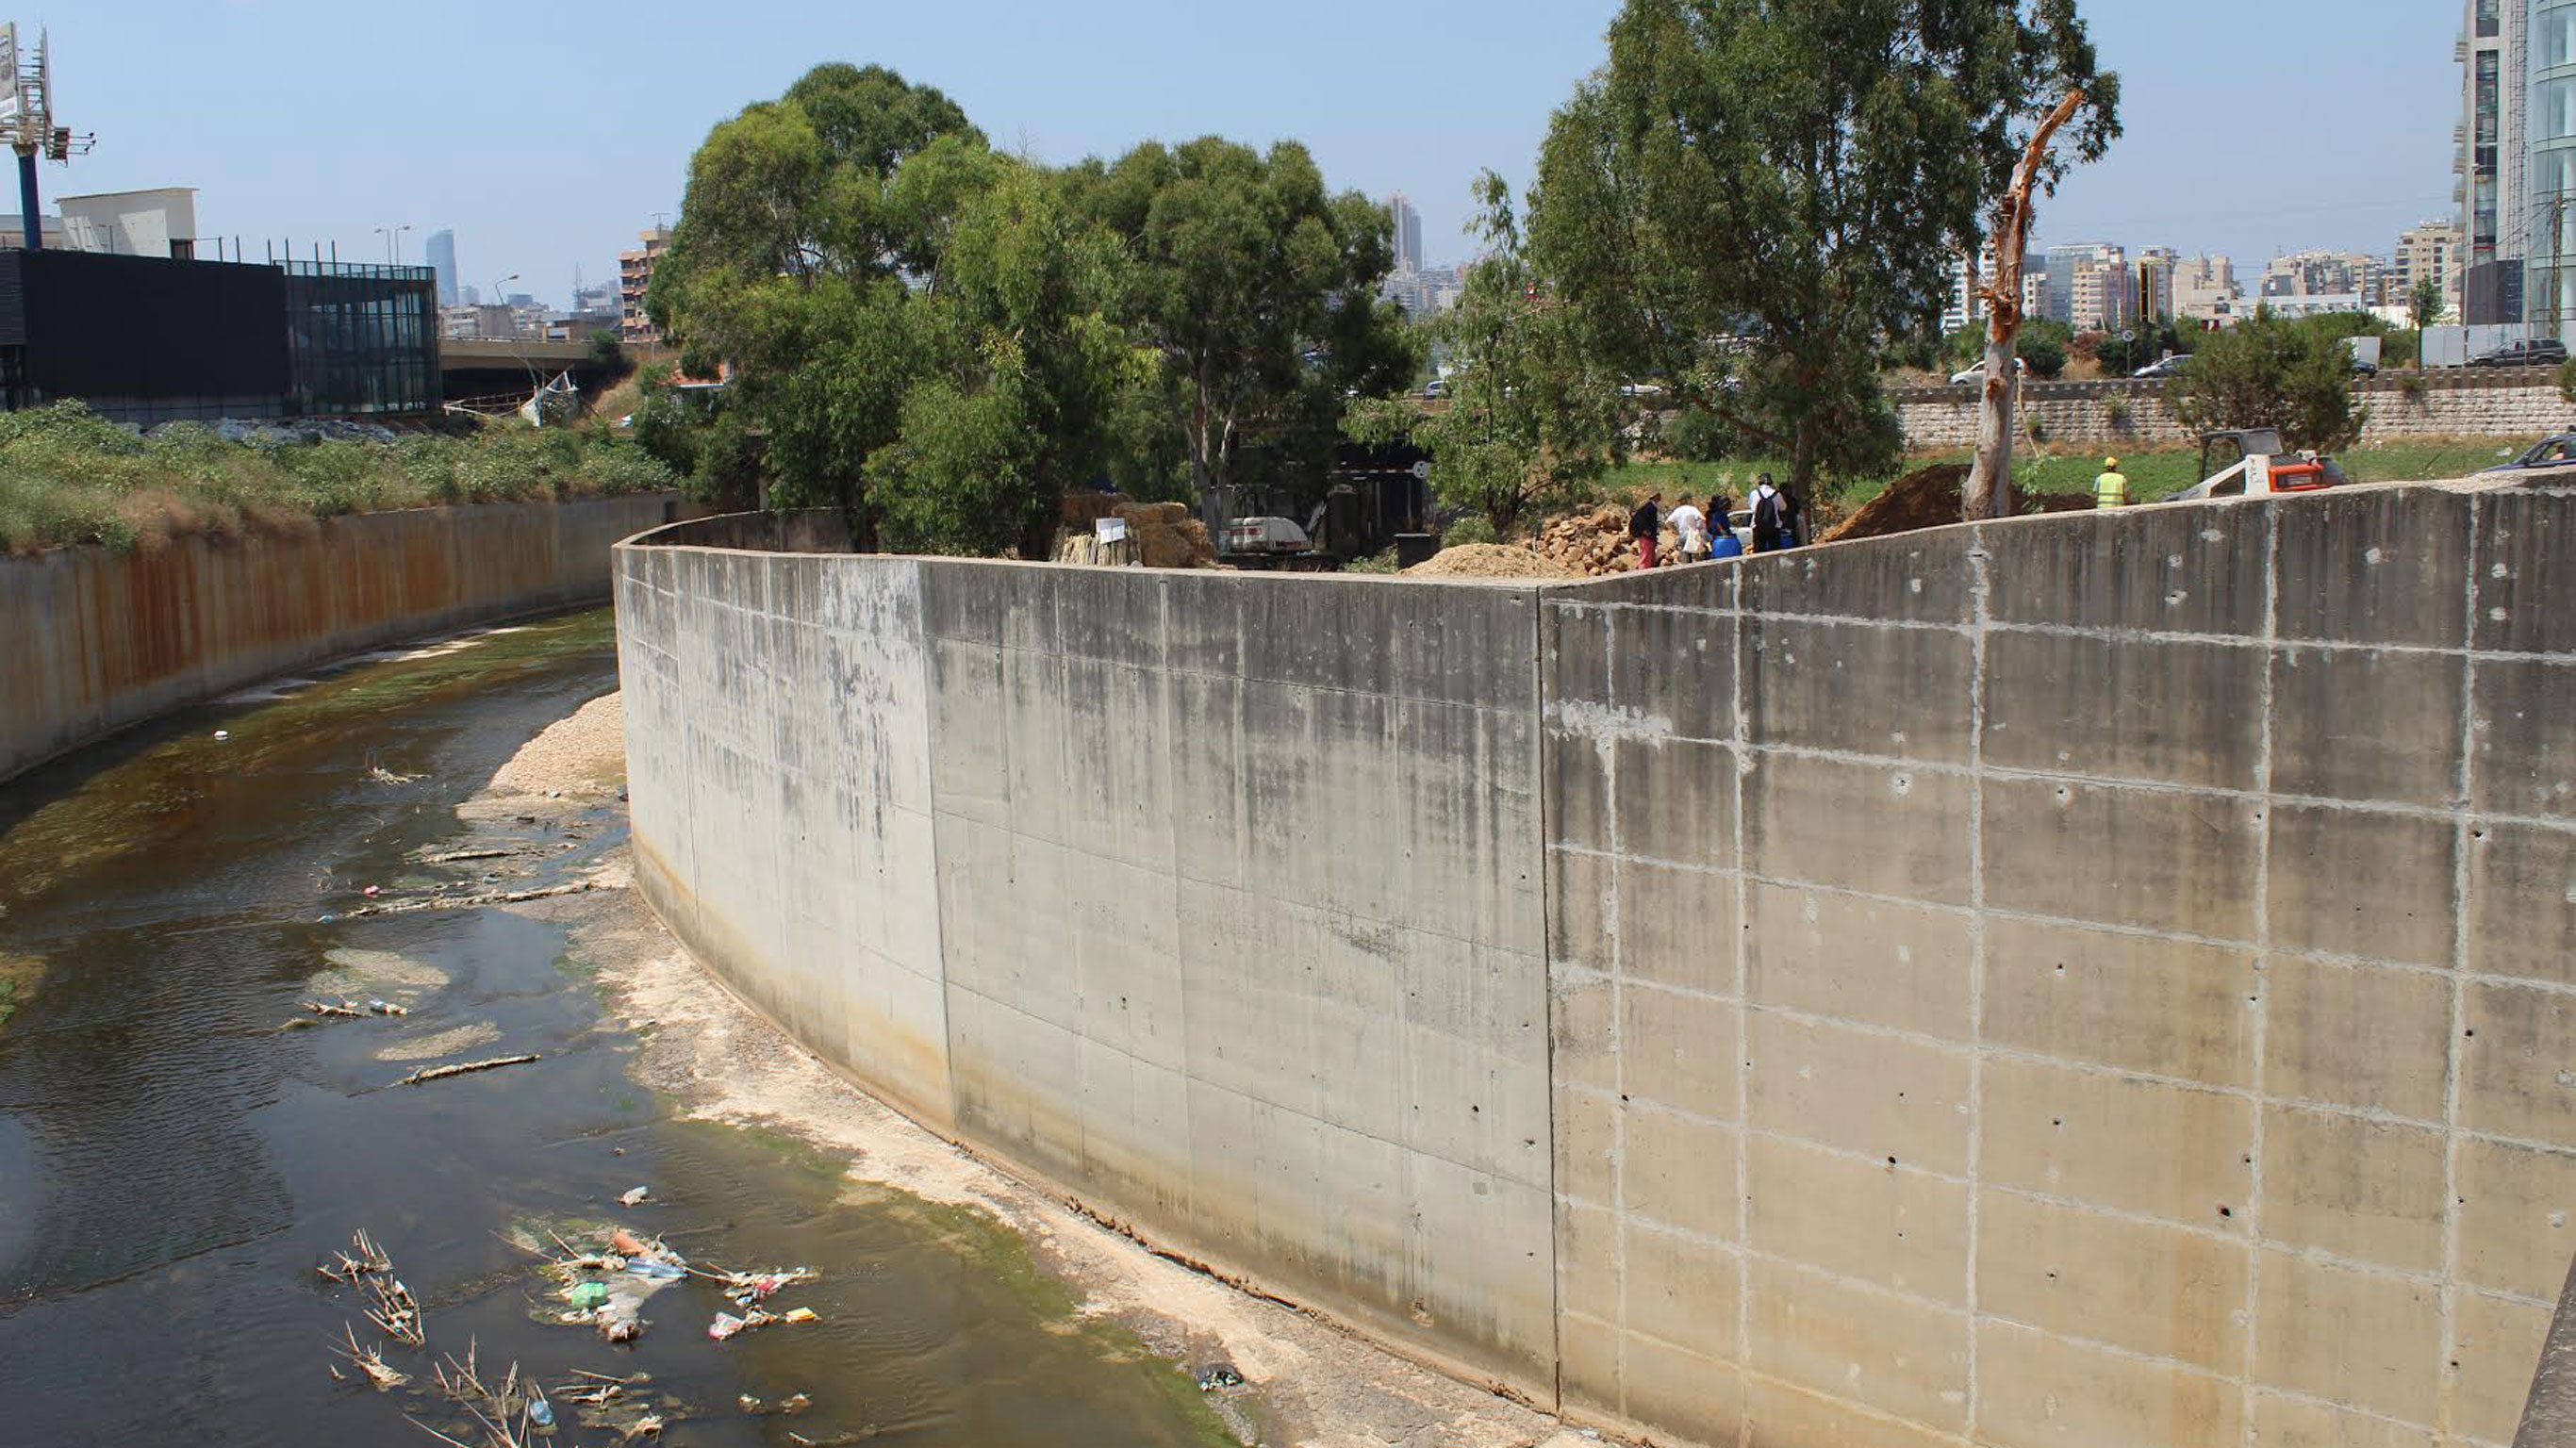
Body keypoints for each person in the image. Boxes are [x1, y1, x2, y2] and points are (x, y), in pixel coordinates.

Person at [1749, 473, 1788, 552]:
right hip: (1774, 526)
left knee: (1758, 551)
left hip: (1757, 526)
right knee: (1775, 551)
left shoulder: (1754, 493)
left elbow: (1752, 509)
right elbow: (1783, 508)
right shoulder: (1777, 494)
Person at [1667, 495, 1709, 562]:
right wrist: (1699, 528)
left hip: (1682, 535)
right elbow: (1703, 518)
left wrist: (1677, 531)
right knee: (1697, 555)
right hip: (1692, 535)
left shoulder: (1678, 511)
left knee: (1684, 556)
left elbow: (1668, 523)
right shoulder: (1692, 509)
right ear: (1687, 500)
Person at [1629, 492, 1663, 568]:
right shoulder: (1649, 507)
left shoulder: (1651, 507)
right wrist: (1645, 530)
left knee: (1650, 556)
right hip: (1647, 536)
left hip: (1650, 535)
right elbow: (1640, 520)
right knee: (1646, 556)